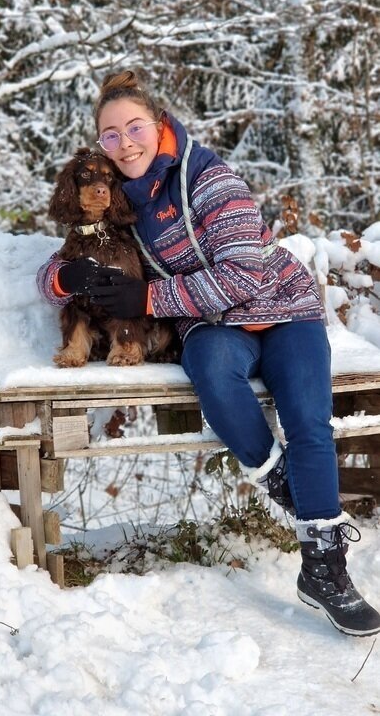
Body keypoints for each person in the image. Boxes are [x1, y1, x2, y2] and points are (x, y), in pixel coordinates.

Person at [37, 70, 380, 636]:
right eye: (110, 135)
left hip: (283, 306)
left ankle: (325, 569)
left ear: (159, 124)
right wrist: (61, 277)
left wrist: (149, 294)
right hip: (209, 323)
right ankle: (278, 481)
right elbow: (77, 247)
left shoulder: (208, 177)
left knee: (308, 422)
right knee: (215, 378)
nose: (125, 143)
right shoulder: (118, 191)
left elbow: (245, 272)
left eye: (134, 128)